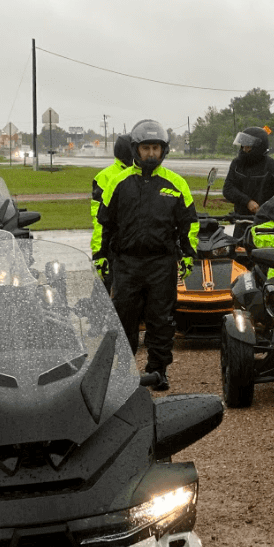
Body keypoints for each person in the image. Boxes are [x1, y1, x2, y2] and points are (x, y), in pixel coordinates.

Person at [94, 119, 198, 391]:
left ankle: (158, 369)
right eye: (146, 148)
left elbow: (189, 223)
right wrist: (100, 255)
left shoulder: (176, 184)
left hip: (161, 263)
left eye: (156, 148)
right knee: (124, 317)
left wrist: (188, 254)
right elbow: (104, 223)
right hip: (126, 263)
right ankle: (124, 372)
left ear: (163, 150)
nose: (151, 153)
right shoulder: (118, 182)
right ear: (135, 150)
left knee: (160, 319)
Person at [90, 134, 134, 292]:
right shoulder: (105, 177)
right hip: (112, 246)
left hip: (136, 247)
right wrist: (98, 253)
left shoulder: (141, 173)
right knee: (107, 291)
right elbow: (99, 218)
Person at [222, 127, 274, 221]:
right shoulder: (237, 164)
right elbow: (228, 189)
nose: (244, 149)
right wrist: (248, 202)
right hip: (241, 218)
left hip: (265, 220)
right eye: (243, 146)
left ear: (258, 147)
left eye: (248, 146)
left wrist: (270, 208)